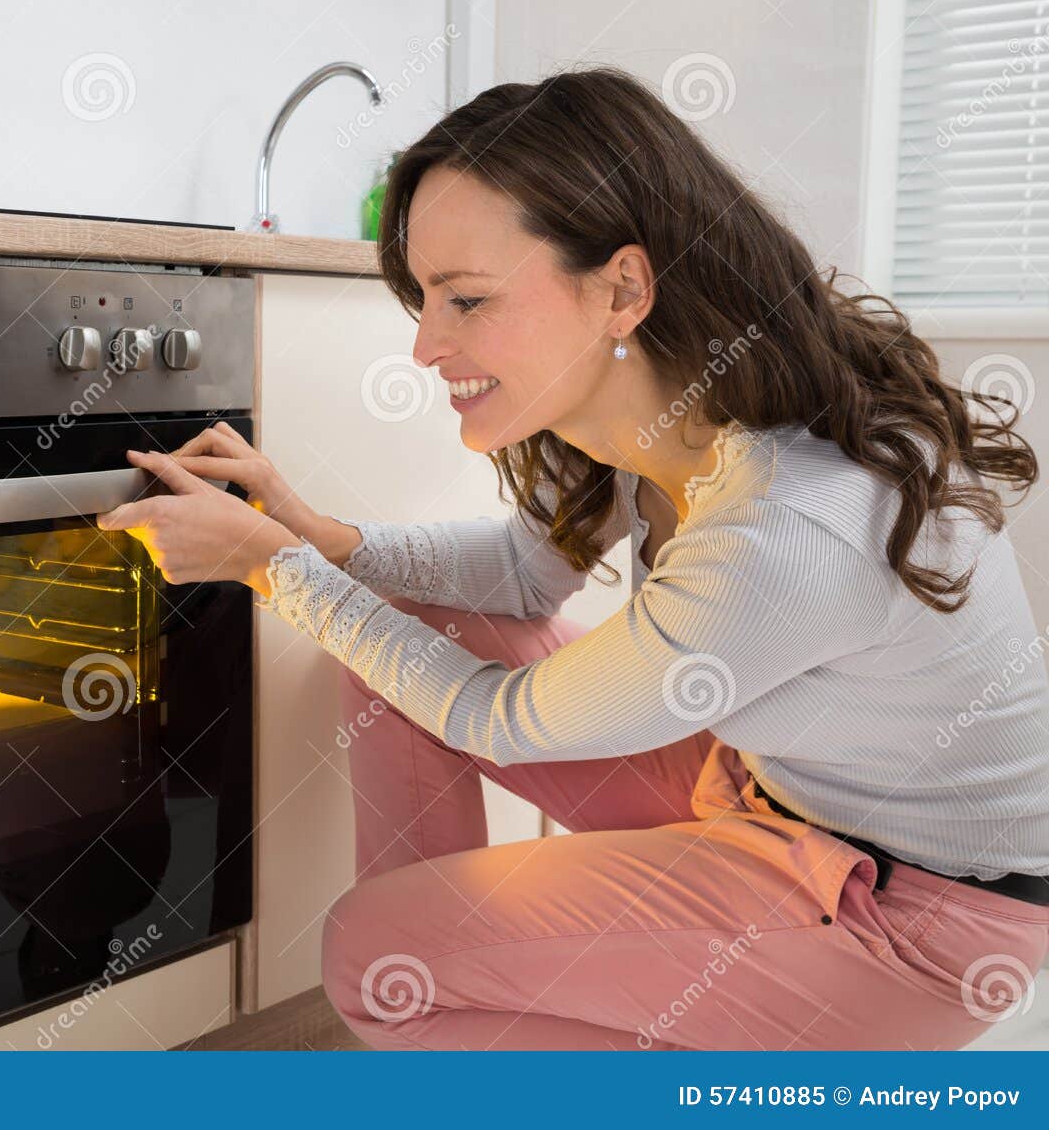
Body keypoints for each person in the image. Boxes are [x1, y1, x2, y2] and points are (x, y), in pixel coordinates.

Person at [95, 68, 1049, 1050]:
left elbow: (495, 722)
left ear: (623, 289)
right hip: (762, 790)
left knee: (374, 953)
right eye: (425, 299)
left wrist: (273, 569)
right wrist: (315, 536)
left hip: (906, 919)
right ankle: (436, 996)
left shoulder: (786, 521)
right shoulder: (639, 409)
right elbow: (523, 574)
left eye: (467, 299)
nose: (425, 347)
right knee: (407, 661)